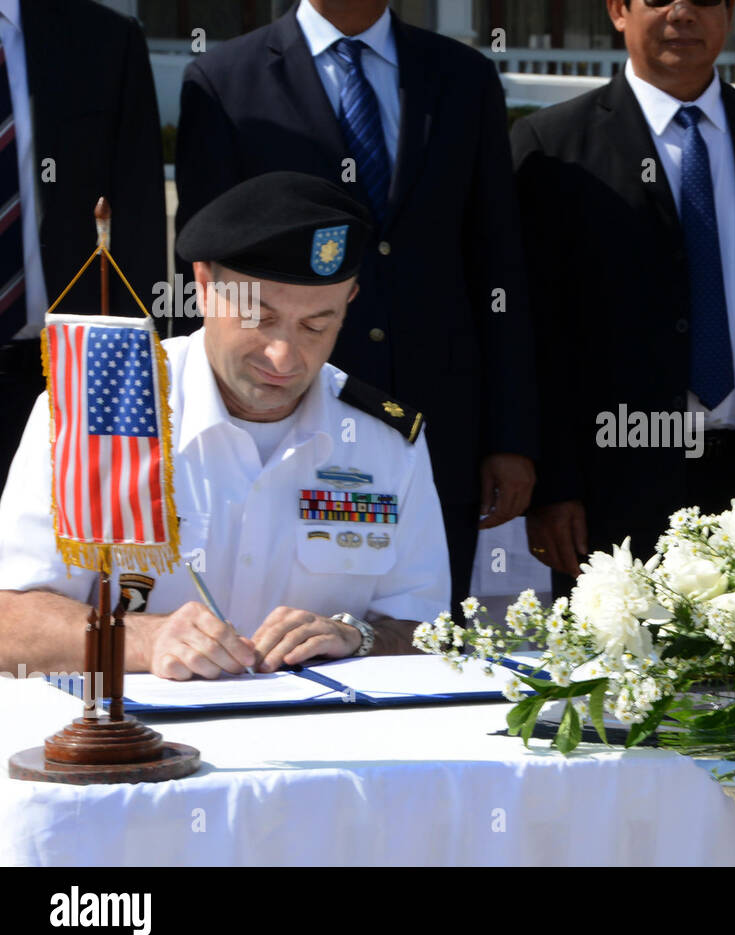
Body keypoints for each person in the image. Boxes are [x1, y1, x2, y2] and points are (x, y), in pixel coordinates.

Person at [0, 172, 449, 680]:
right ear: (206, 287)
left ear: (349, 301)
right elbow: (10, 623)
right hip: (140, 742)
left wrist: (357, 637)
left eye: (315, 327)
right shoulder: (96, 412)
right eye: (259, 317)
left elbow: (429, 630)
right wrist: (146, 640)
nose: (283, 357)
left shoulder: (385, 440)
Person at [173, 0, 537, 613]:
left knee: (416, 630)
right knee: (238, 625)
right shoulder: (225, 79)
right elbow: (210, 268)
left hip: (434, 419)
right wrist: (208, 417)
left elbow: (497, 261)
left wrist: (510, 435)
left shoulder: (463, 75)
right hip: (270, 415)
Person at [513, 0, 735, 587]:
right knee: (618, 675)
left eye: (704, 0)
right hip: (614, 484)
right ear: (618, 10)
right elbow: (534, 334)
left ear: (730, 14)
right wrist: (554, 487)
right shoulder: (552, 146)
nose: (682, 14)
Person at [0, 0, 166, 490]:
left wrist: (145, 357)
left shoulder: (105, 39)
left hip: (71, 371)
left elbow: (139, 214)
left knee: (62, 557)